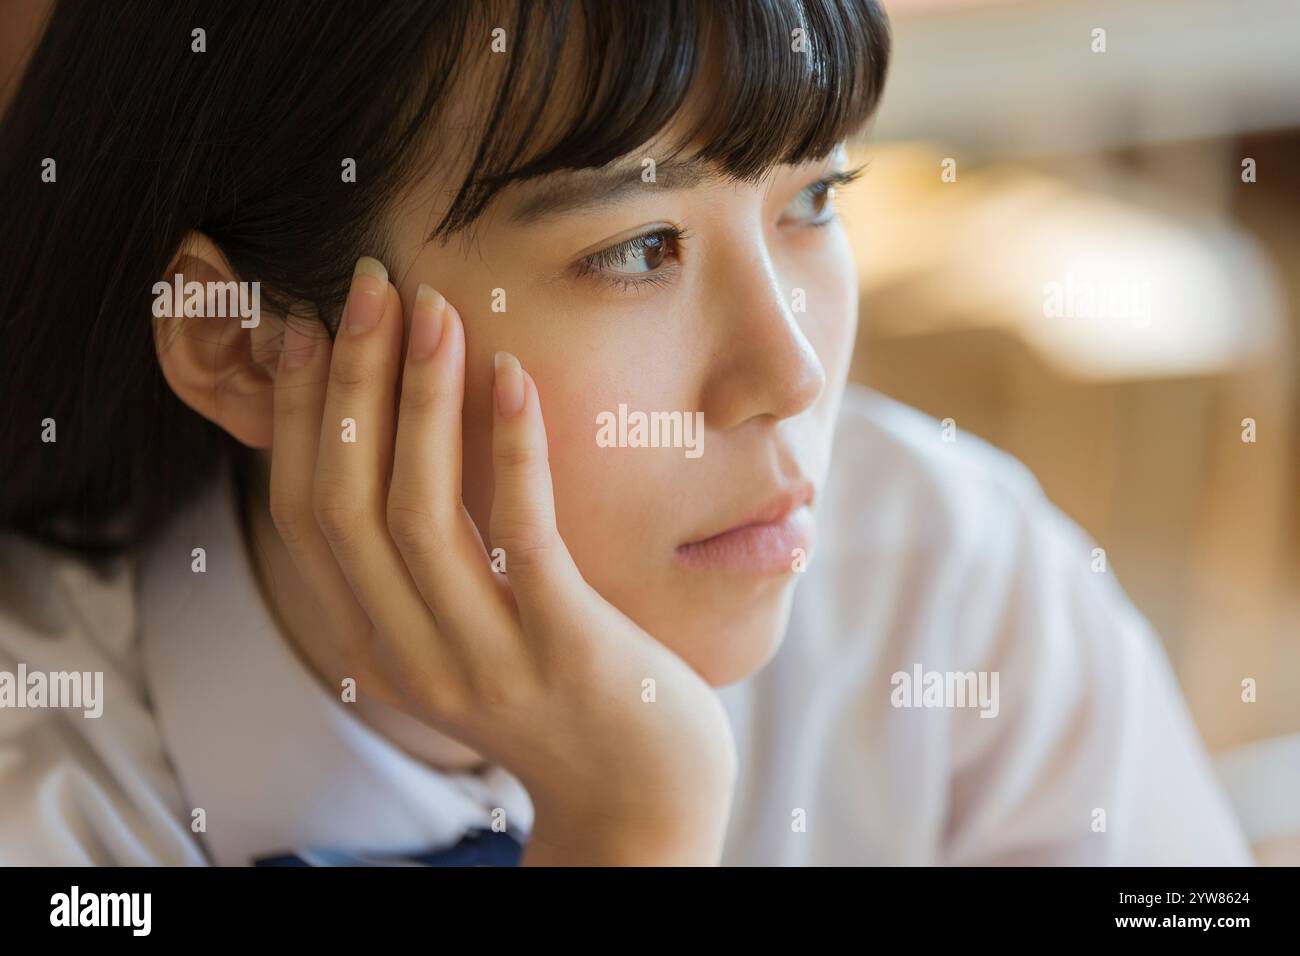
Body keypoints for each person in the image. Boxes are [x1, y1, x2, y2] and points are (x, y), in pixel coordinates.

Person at [0, 0, 1250, 866]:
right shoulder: (50, 807)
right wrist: (629, 830)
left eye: (814, 198)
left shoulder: (947, 586)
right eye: (639, 249)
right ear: (239, 342)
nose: (789, 374)